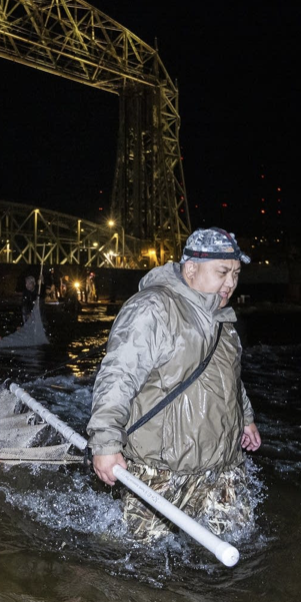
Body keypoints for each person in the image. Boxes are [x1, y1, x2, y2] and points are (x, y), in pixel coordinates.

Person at [86, 227, 262, 543]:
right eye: (222, 272)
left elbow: (231, 377)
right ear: (191, 268)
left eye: (236, 273)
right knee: (142, 566)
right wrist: (106, 444)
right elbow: (117, 377)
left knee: (240, 557)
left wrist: (245, 418)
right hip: (161, 472)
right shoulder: (153, 309)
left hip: (222, 469)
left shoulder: (225, 321)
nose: (231, 283)